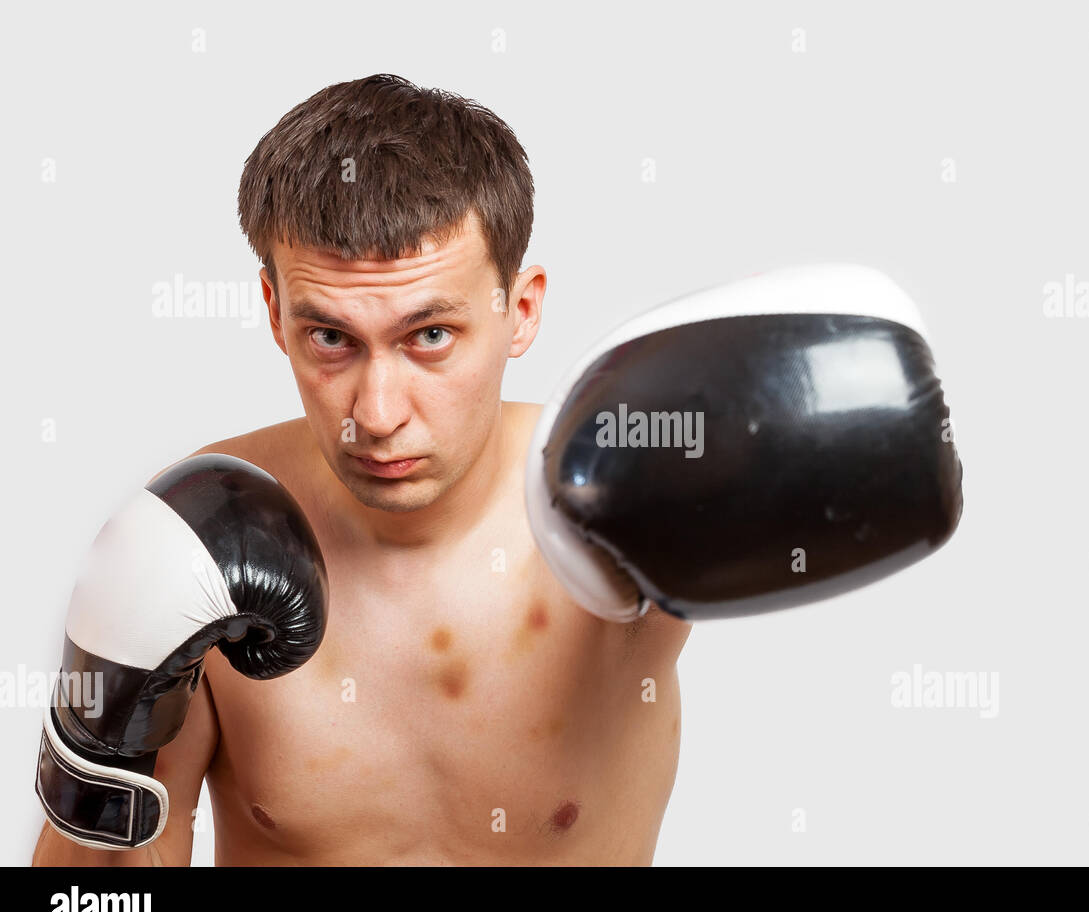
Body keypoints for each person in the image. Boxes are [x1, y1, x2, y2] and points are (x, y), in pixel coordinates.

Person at [32, 74, 960, 866]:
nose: (378, 412)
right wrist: (96, 744)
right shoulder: (198, 535)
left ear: (522, 310)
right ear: (273, 310)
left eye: (431, 336)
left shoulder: (620, 493)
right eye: (330, 338)